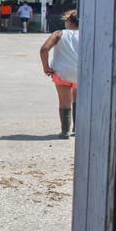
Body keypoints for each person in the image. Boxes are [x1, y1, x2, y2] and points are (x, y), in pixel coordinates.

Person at [39, 9, 80, 138]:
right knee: (77, 100)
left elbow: (44, 49)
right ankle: (77, 129)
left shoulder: (59, 34)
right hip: (81, 72)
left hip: (62, 72)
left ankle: (65, 131)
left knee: (64, 102)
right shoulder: (88, 33)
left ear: (69, 21)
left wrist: (46, 67)